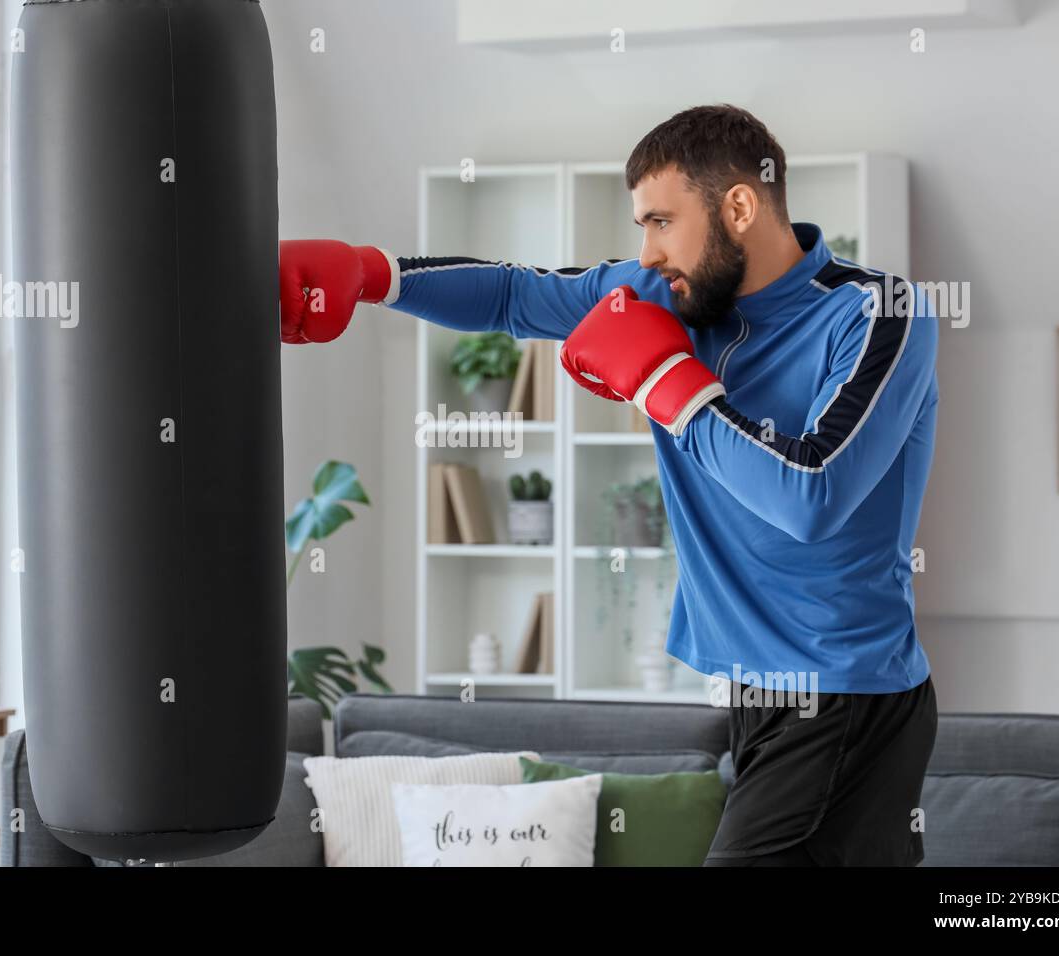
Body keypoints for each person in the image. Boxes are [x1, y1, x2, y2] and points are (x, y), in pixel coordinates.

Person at [278, 104, 939, 867]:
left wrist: (668, 381)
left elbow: (811, 497)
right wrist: (372, 275)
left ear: (740, 205)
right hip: (749, 694)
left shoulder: (878, 314)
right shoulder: (672, 294)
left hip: (845, 694)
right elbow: (513, 294)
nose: (646, 252)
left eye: (661, 221)